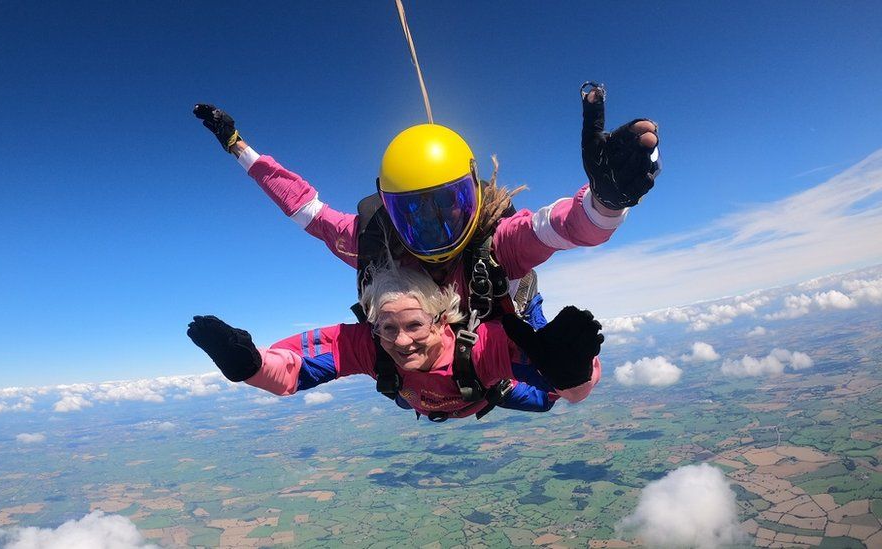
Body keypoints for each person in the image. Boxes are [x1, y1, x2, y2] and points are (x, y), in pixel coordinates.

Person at [192, 84, 660, 326]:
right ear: (390, 210)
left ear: (474, 194)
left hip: (504, 334)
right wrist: (238, 147)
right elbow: (303, 206)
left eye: (448, 204)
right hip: (436, 368)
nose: (435, 223)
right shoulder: (375, 243)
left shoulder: (499, 244)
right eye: (414, 212)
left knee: (561, 381)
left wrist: (606, 201)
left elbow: (569, 226)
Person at [187, 262, 605, 421]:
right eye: (387, 327)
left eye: (415, 326)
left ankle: (525, 303)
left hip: (486, 389)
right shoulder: (368, 343)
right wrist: (249, 366)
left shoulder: (483, 344)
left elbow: (565, 392)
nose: (401, 342)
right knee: (404, 389)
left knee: (545, 400)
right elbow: (293, 371)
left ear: (443, 321)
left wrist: (574, 372)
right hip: (417, 397)